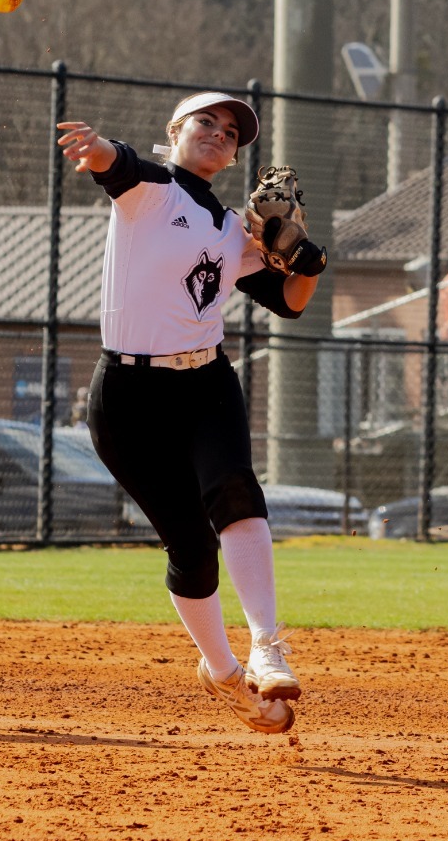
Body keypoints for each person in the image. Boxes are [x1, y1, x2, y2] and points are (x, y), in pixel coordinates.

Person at [56, 91, 324, 733]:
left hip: (205, 382)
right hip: (127, 399)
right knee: (192, 546)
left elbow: (290, 300)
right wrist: (94, 149)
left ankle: (266, 641)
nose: (218, 134)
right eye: (206, 122)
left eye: (231, 133)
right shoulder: (150, 190)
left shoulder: (234, 230)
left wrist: (309, 259)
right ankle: (224, 672)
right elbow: (115, 164)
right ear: (175, 131)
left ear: (235, 156)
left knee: (235, 491)